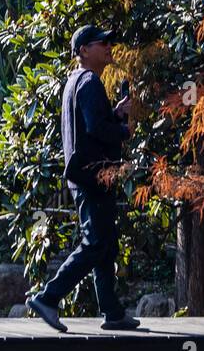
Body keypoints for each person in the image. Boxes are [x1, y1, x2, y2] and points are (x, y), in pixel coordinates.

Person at [27, 25, 140, 333]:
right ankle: (48, 298)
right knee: (95, 243)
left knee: (106, 243)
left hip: (87, 174)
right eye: (101, 42)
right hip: (93, 175)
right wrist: (123, 130)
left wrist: (114, 115)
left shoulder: (77, 81)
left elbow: (91, 124)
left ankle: (112, 311)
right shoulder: (89, 81)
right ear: (83, 51)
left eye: (108, 41)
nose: (108, 45)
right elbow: (95, 129)